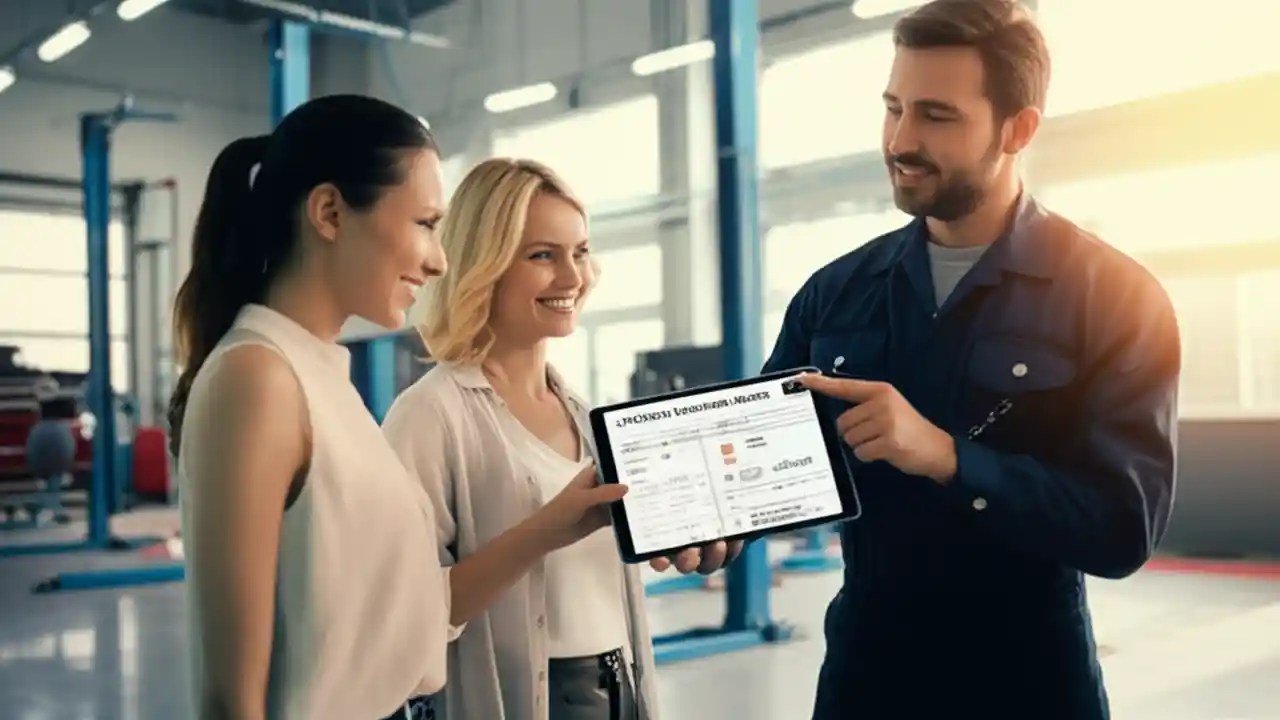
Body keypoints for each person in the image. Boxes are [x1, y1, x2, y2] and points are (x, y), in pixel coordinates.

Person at [762, 2, 1181, 718]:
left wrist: (947, 457)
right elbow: (767, 461)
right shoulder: (835, 293)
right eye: (893, 108)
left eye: (936, 115)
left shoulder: (1113, 297)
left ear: (1017, 129)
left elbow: (1122, 530)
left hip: (1027, 686)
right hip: (867, 682)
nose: (900, 139)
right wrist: (712, 526)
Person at [168, 96, 628, 720]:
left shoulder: (322, 378)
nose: (439, 259)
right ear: (329, 212)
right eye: (425, 224)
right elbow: (231, 701)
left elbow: (404, 614)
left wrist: (560, 525)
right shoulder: (259, 377)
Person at [381, 157, 735, 720]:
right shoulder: (429, 417)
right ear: (485, 263)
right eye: (543, 255)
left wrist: (688, 537)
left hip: (619, 686)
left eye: (581, 252)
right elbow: (402, 618)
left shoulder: (590, 419)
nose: (574, 277)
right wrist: (546, 530)